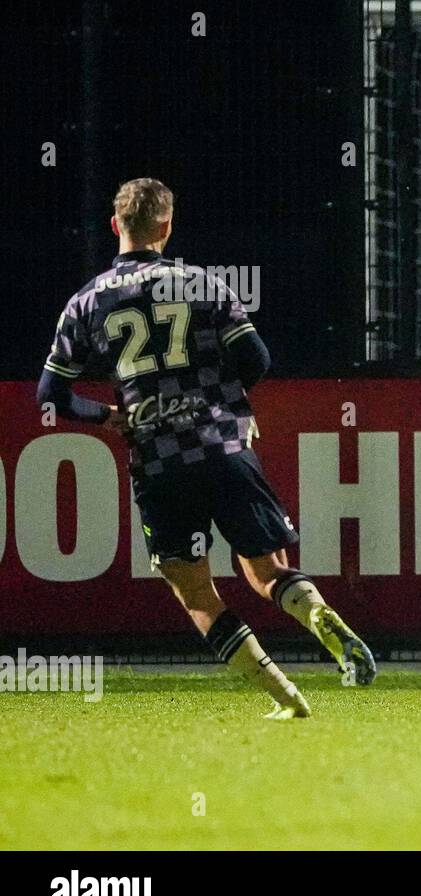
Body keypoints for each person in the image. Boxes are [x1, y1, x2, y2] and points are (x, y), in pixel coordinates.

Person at [37, 178, 376, 719]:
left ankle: (286, 697)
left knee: (194, 589)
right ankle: (322, 622)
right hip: (224, 446)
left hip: (158, 461)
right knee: (266, 569)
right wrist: (222, 403)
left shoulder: (86, 303)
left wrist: (108, 417)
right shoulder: (204, 285)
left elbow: (50, 395)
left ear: (115, 226)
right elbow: (257, 360)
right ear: (166, 226)